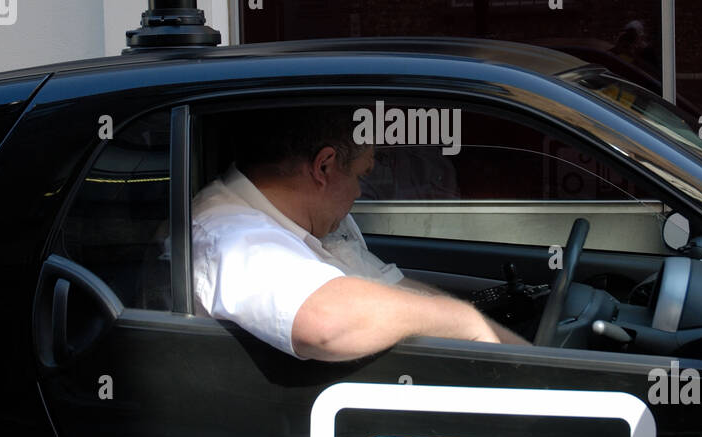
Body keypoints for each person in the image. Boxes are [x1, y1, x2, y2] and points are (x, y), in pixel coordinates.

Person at [192, 108, 527, 362]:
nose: (359, 192)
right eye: (360, 175)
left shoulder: (317, 221)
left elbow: (388, 287)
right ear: (324, 167)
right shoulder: (227, 234)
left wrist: (523, 356)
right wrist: (461, 321)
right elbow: (326, 321)